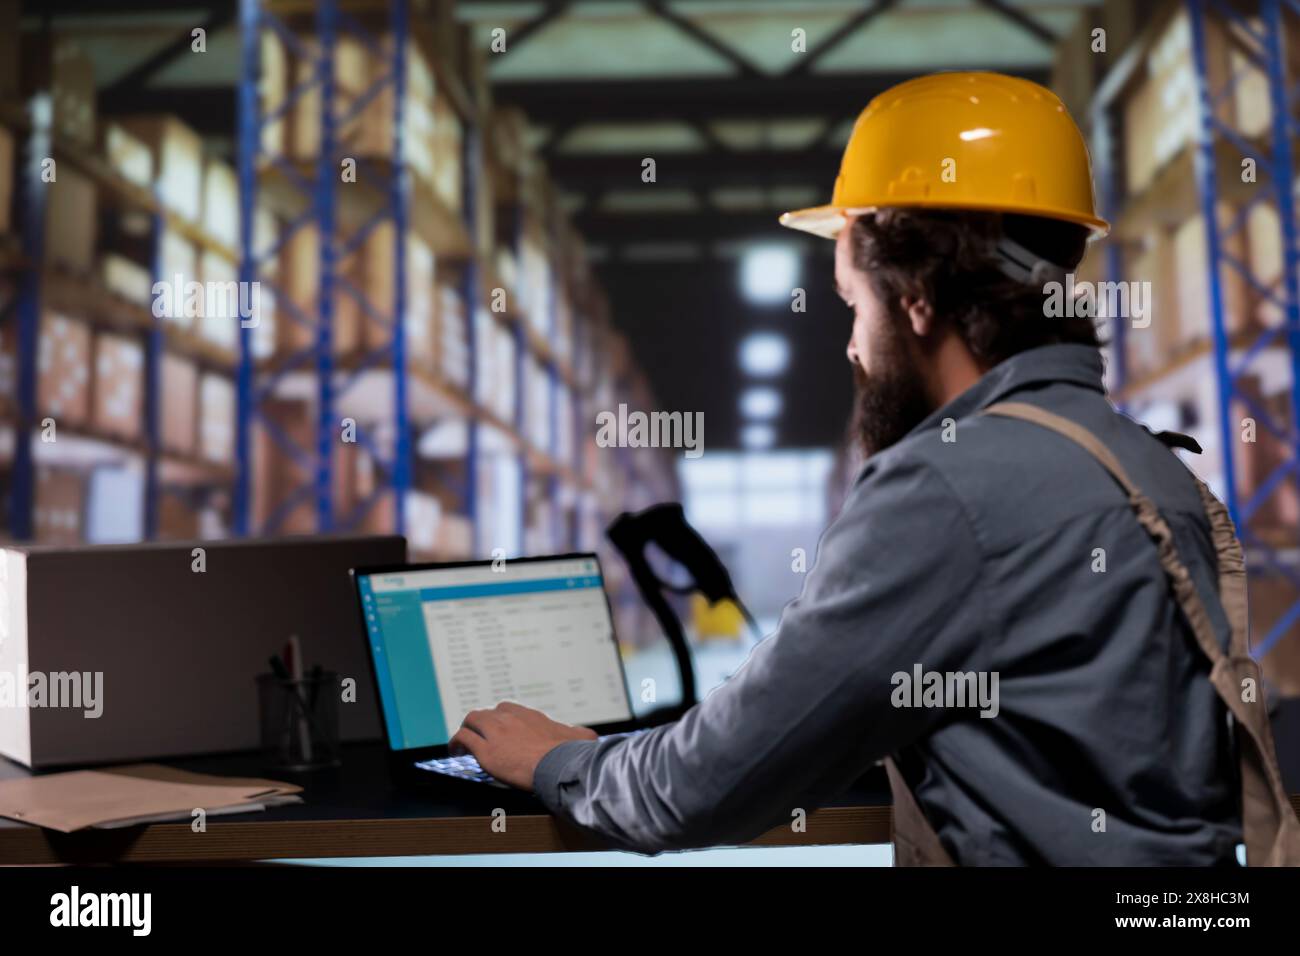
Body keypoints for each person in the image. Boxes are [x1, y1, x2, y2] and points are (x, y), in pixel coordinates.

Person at [448, 72, 1300, 865]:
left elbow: (699, 790)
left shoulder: (949, 486)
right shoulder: (1145, 465)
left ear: (918, 299)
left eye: (855, 304)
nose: (851, 346)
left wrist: (560, 761)